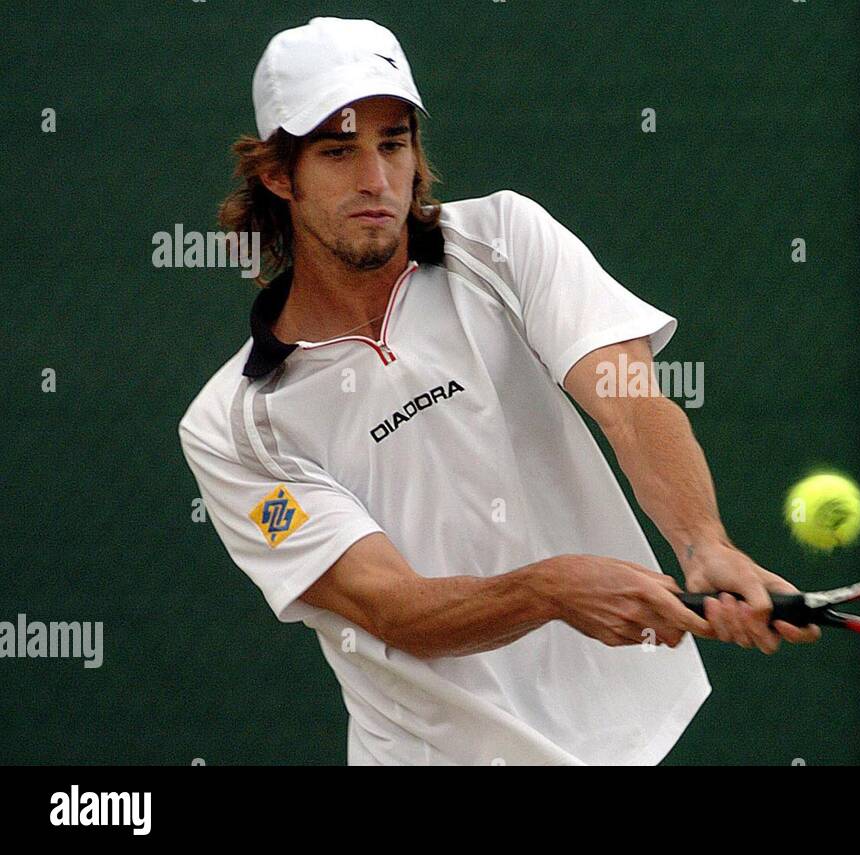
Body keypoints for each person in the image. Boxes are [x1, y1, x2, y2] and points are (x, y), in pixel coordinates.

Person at [178, 17, 817, 765]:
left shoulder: (505, 241)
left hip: (624, 735)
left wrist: (704, 543)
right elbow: (390, 606)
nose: (377, 180)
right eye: (338, 151)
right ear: (279, 176)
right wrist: (553, 589)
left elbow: (631, 402)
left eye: (393, 143)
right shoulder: (235, 427)